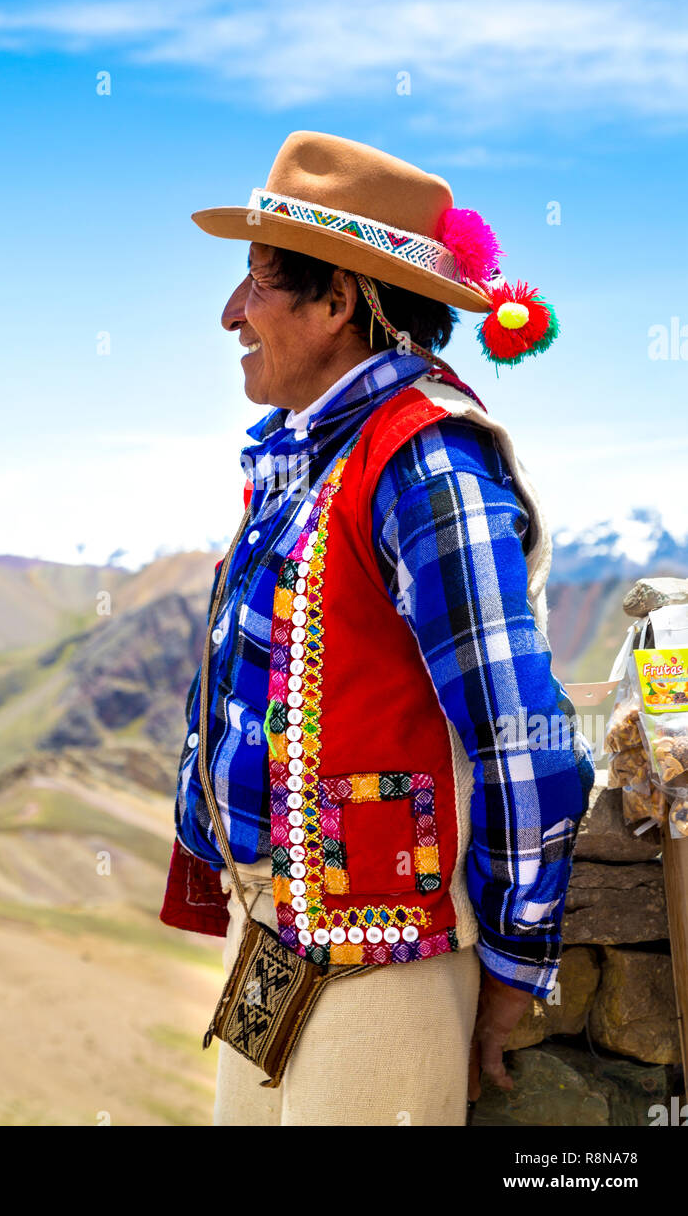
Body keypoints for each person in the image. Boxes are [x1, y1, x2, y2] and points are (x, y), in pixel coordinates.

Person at [160, 130, 594, 1126]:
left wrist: (516, 959)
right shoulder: (308, 463)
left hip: (381, 961)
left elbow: (517, 734)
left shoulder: (422, 466)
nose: (230, 313)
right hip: (272, 929)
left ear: (338, 301)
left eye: (256, 282)